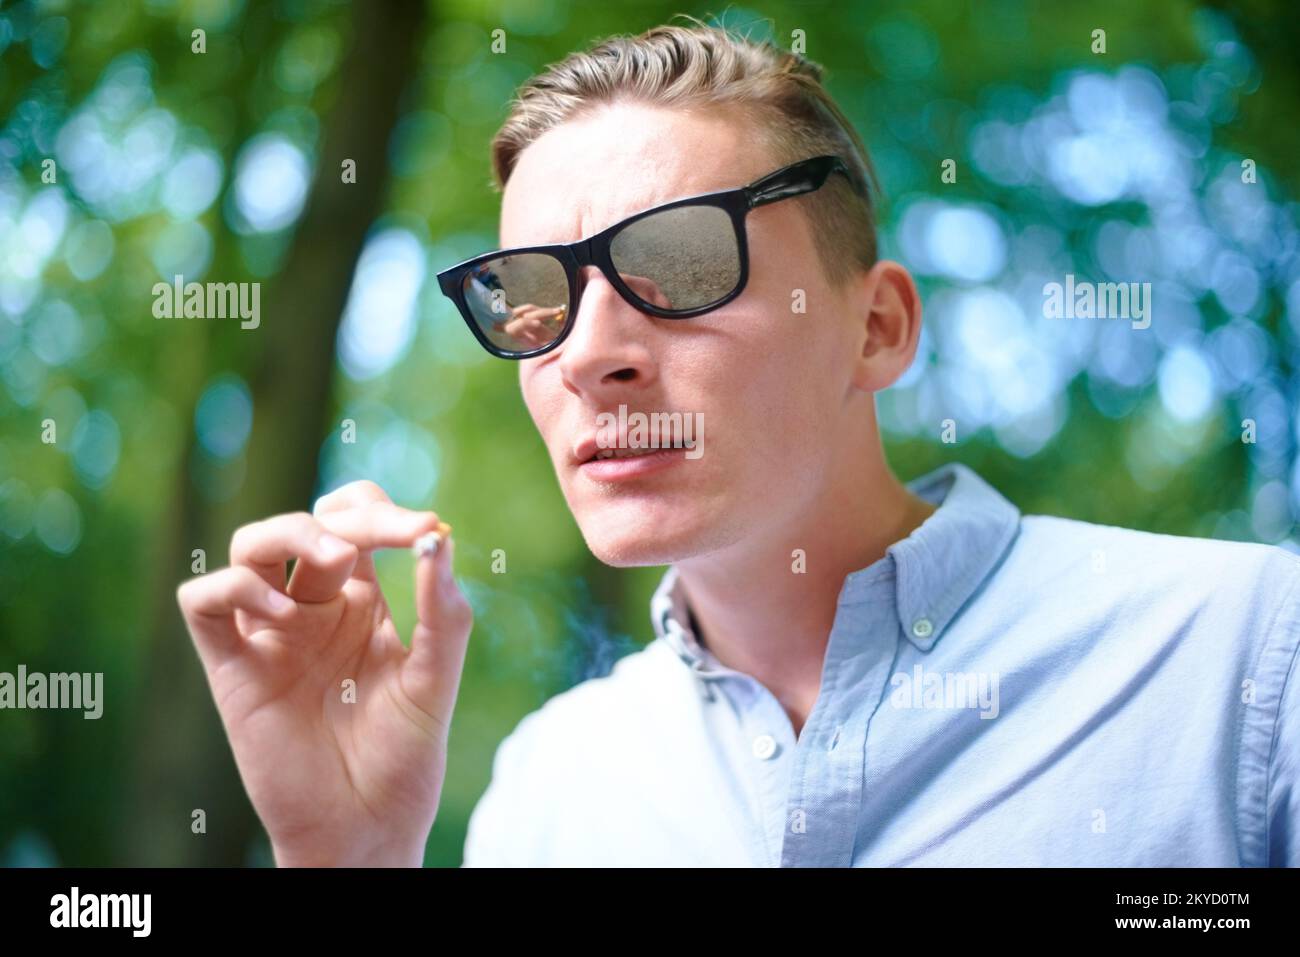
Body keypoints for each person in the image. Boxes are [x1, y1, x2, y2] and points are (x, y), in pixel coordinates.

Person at [177, 20, 1300, 867]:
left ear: (875, 327)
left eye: (678, 265)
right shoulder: (549, 794)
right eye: (529, 298)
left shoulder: (1249, 662)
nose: (584, 355)